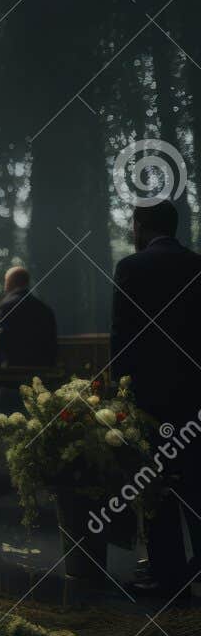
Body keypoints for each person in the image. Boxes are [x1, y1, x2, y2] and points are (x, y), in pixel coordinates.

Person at [110, 200, 201, 596]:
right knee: (198, 479)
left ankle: (170, 575)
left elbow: (122, 335)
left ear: (141, 226)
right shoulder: (197, 265)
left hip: (150, 393)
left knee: (156, 481)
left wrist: (121, 389)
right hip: (194, 390)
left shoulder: (131, 268)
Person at [0, 265, 58, 368]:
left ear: (10, 283)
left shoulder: (5, 306)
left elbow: (1, 341)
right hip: (41, 370)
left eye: (5, 282)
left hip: (13, 371)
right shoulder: (44, 309)